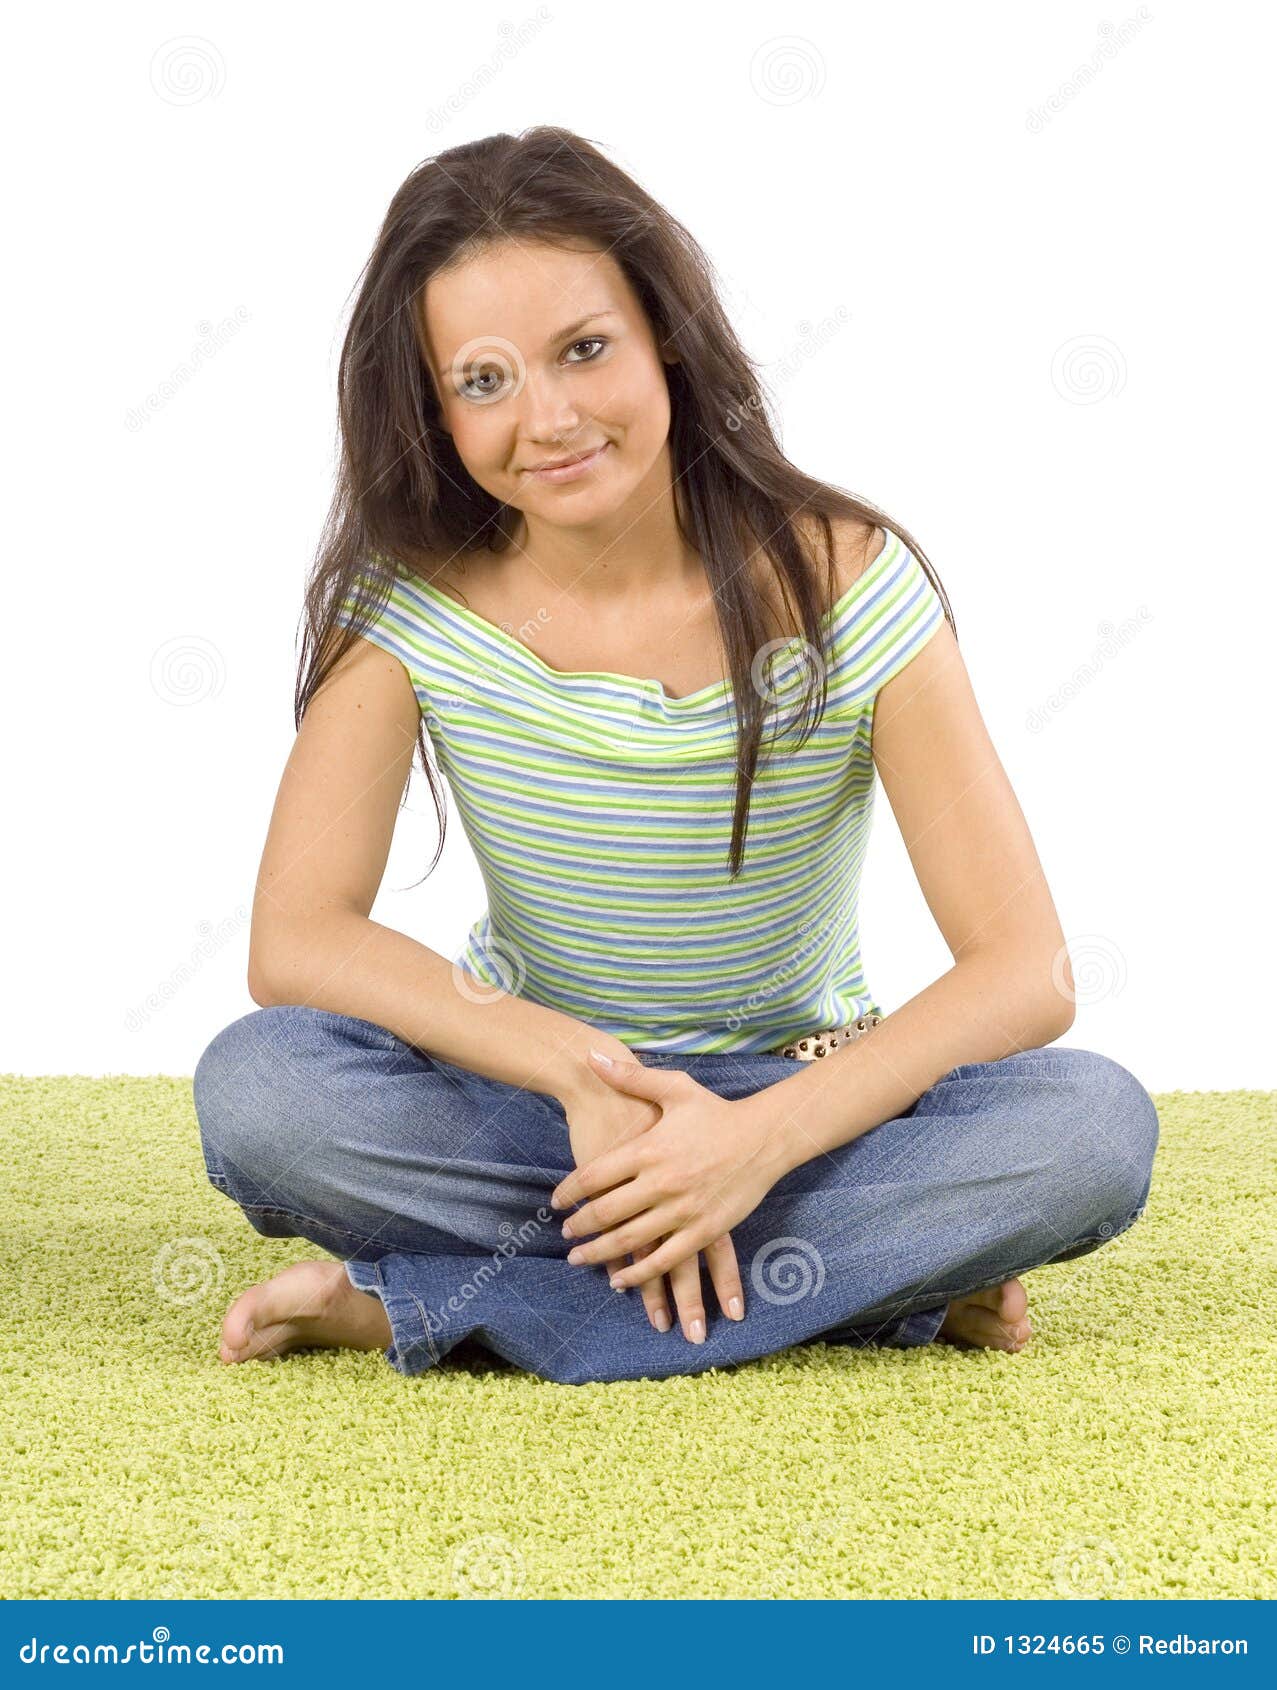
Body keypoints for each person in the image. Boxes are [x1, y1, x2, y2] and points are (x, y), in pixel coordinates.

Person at [192, 126, 1159, 1387]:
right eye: (480, 381)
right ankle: (860, 1282)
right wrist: (578, 1070)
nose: (547, 417)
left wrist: (755, 1142)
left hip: (800, 1098)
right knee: (261, 1094)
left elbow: (1025, 970)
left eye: (583, 350)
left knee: (1089, 1129)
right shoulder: (412, 602)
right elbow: (299, 938)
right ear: (429, 407)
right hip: (535, 1103)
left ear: (666, 339)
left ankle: (441, 1308)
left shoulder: (843, 579)